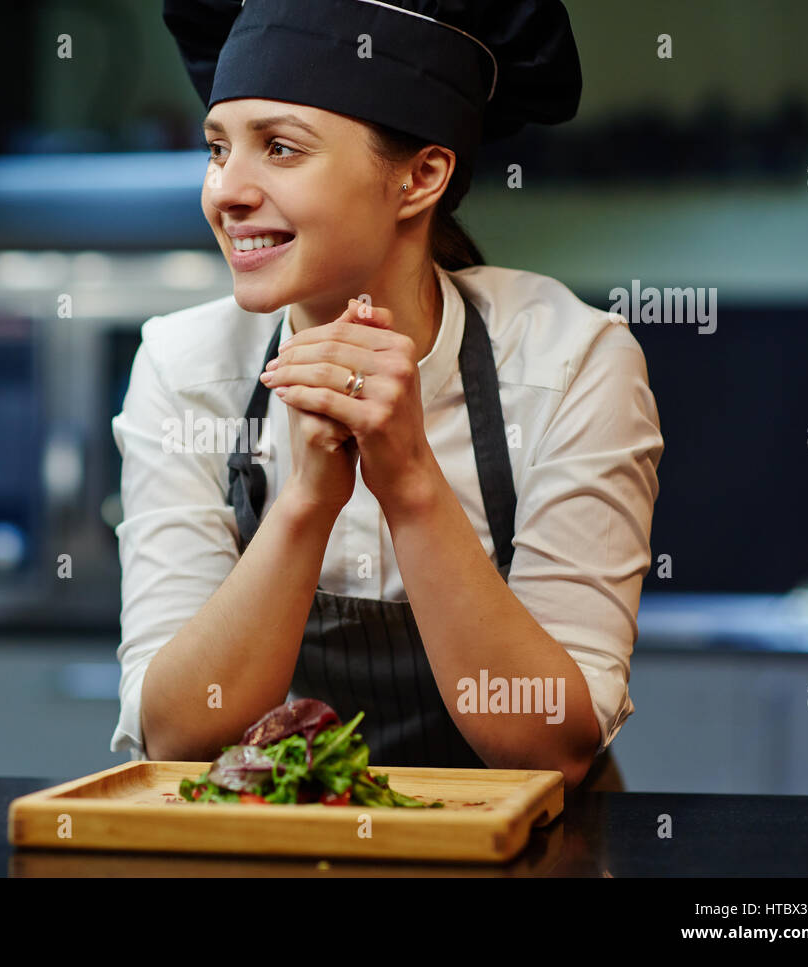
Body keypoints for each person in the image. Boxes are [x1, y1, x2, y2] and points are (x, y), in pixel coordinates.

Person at [110, 0, 664, 791]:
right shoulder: (185, 365)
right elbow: (176, 737)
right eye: (217, 149)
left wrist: (408, 482)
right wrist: (304, 501)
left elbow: (555, 746)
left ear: (421, 176)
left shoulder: (573, 363)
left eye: (280, 148)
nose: (225, 192)